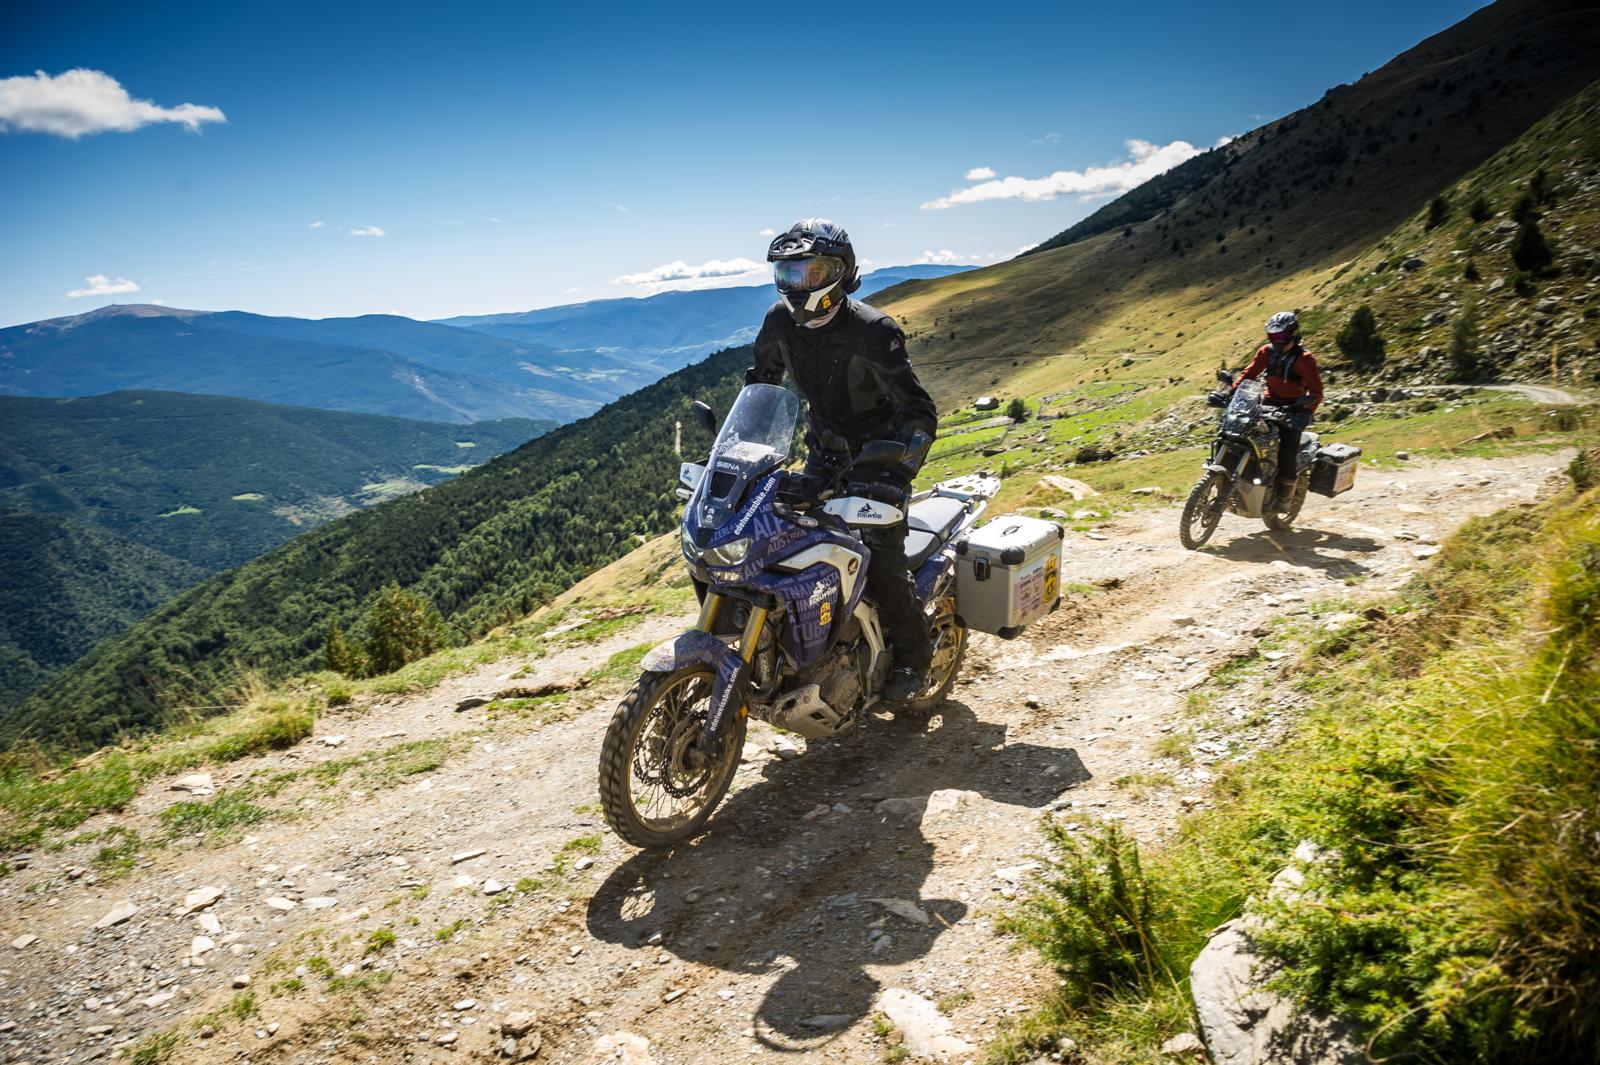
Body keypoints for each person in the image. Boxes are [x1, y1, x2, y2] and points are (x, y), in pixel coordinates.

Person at [745, 218, 938, 702]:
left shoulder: (874, 331)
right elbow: (762, 385)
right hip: (824, 453)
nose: (799, 284)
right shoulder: (777, 323)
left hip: (879, 458)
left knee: (882, 560)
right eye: (789, 273)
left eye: (811, 272)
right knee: (785, 548)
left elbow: (918, 412)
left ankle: (916, 663)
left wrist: (899, 469)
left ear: (841, 272)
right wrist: (744, 447)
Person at [1228, 311, 1324, 507]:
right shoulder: (1266, 352)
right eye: (1273, 336)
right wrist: (1231, 392)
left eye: (1281, 336)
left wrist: (1305, 412)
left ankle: (1283, 499)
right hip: (1267, 403)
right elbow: (1249, 373)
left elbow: (1316, 391)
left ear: (1293, 334)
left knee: (1286, 453)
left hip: (1293, 408)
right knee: (1241, 434)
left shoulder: (1304, 359)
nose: (1277, 341)